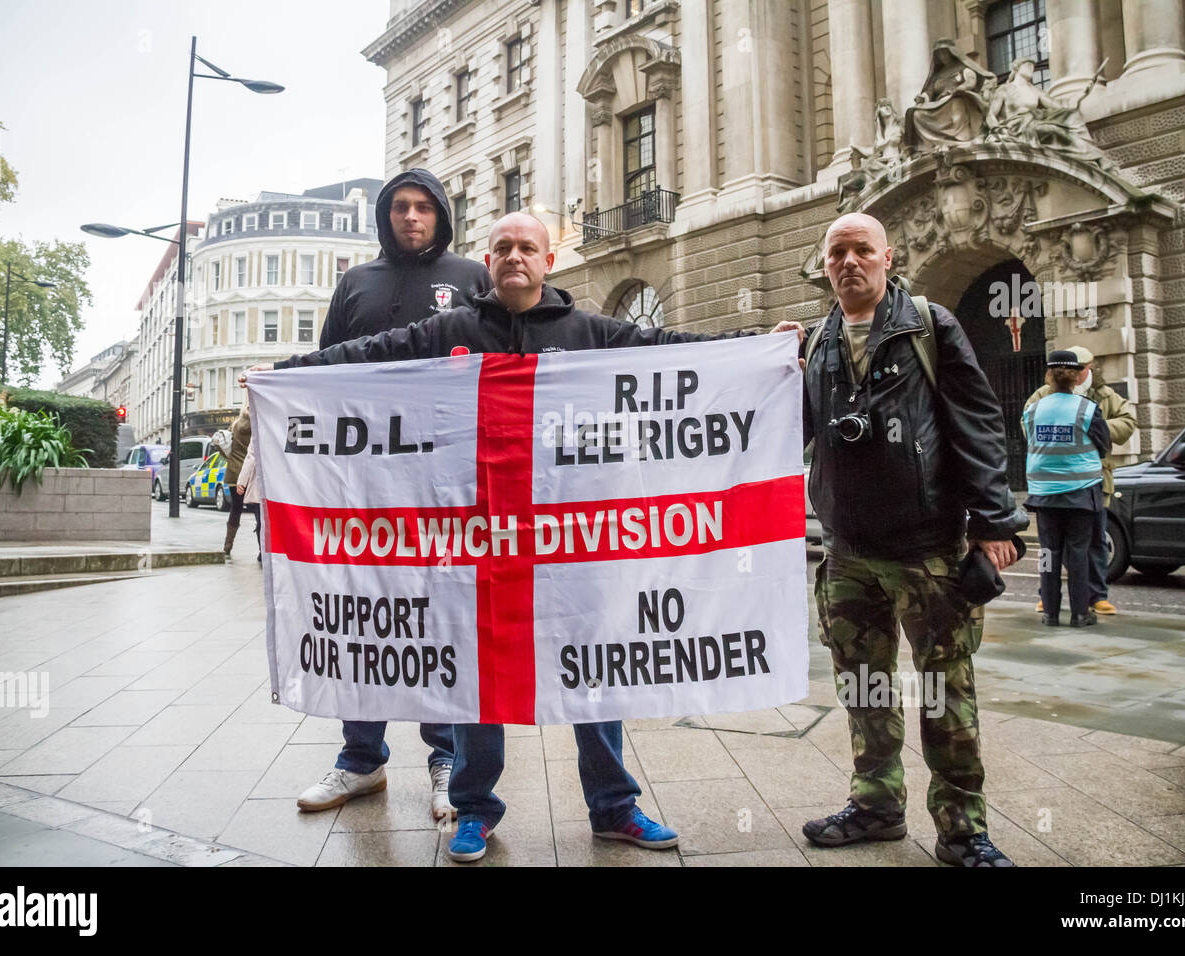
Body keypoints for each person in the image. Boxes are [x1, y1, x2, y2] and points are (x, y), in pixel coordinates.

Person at [244, 211, 772, 863]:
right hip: (478, 542)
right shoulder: (452, 331)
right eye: (502, 248)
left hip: (573, 542)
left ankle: (614, 807)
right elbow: (368, 356)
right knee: (477, 679)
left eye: (527, 247)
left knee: (595, 673)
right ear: (487, 261)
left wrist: (761, 350)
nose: (514, 256)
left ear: (549, 260)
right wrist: (286, 373)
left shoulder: (588, 333)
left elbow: (673, 348)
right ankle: (473, 810)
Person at [799, 212, 1027, 867]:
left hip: (927, 548)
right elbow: (786, 428)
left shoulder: (929, 325)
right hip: (845, 551)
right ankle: (875, 807)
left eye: (861, 250)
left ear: (887, 257)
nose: (849, 262)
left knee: (944, 696)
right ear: (824, 263)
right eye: (836, 251)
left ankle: (962, 832)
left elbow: (978, 425)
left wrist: (993, 525)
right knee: (863, 689)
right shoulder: (816, 341)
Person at [296, 169, 490, 824]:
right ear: (386, 216)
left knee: (442, 617)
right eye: (401, 207)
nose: (412, 217)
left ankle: (445, 760)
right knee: (364, 613)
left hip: (448, 479)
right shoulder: (355, 284)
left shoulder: (470, 278)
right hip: (368, 481)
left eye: (424, 207)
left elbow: (504, 365)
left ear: (442, 214)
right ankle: (361, 759)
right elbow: (326, 375)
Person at [1025, 345, 1135, 615]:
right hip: (1082, 488)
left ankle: (1053, 606)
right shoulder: (1086, 407)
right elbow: (1101, 442)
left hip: (1044, 489)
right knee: (1079, 549)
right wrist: (1080, 432)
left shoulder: (1039, 404)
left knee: (1050, 550)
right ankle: (1079, 612)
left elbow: (1030, 435)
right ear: (1076, 374)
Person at [221, 406, 253, 556]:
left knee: (236, 508)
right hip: (250, 472)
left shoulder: (235, 424)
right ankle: (262, 549)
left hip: (233, 471)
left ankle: (228, 544)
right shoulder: (255, 425)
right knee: (258, 510)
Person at [234, 445, 262, 562]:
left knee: (261, 521)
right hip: (280, 486)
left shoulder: (259, 428)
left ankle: (263, 550)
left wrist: (242, 481)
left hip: (261, 485)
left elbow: (251, 456)